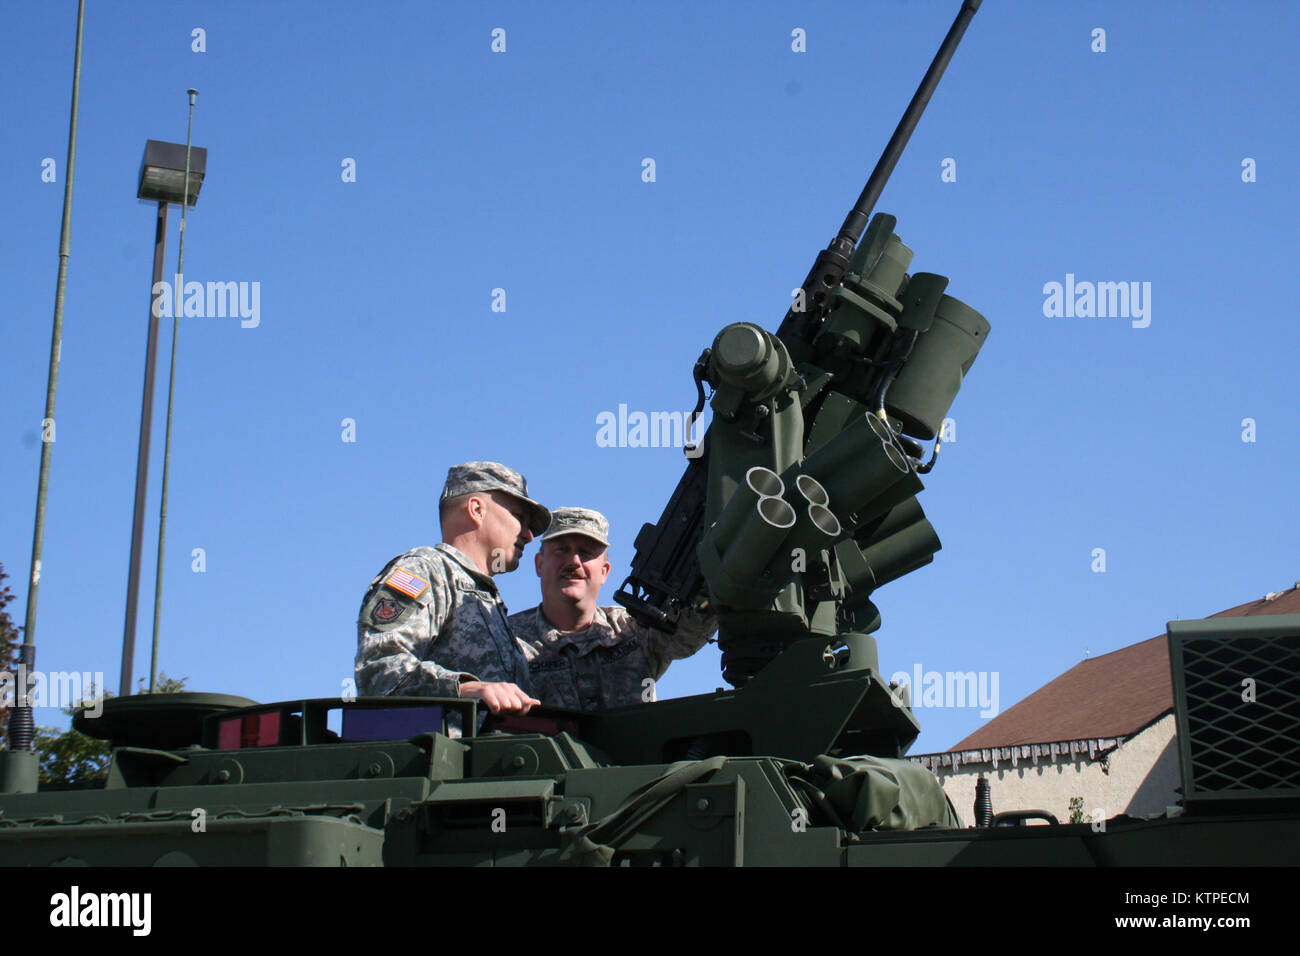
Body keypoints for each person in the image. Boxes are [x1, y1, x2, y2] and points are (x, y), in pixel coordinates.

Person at [355, 461, 549, 716]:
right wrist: (464, 689)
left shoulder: (486, 599)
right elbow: (378, 673)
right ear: (477, 509)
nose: (528, 535)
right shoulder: (423, 571)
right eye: (518, 517)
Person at [509, 507, 715, 711]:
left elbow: (689, 635)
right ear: (539, 564)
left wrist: (711, 573)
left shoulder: (635, 629)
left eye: (586, 552)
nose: (573, 561)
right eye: (561, 550)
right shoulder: (507, 641)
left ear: (604, 572)